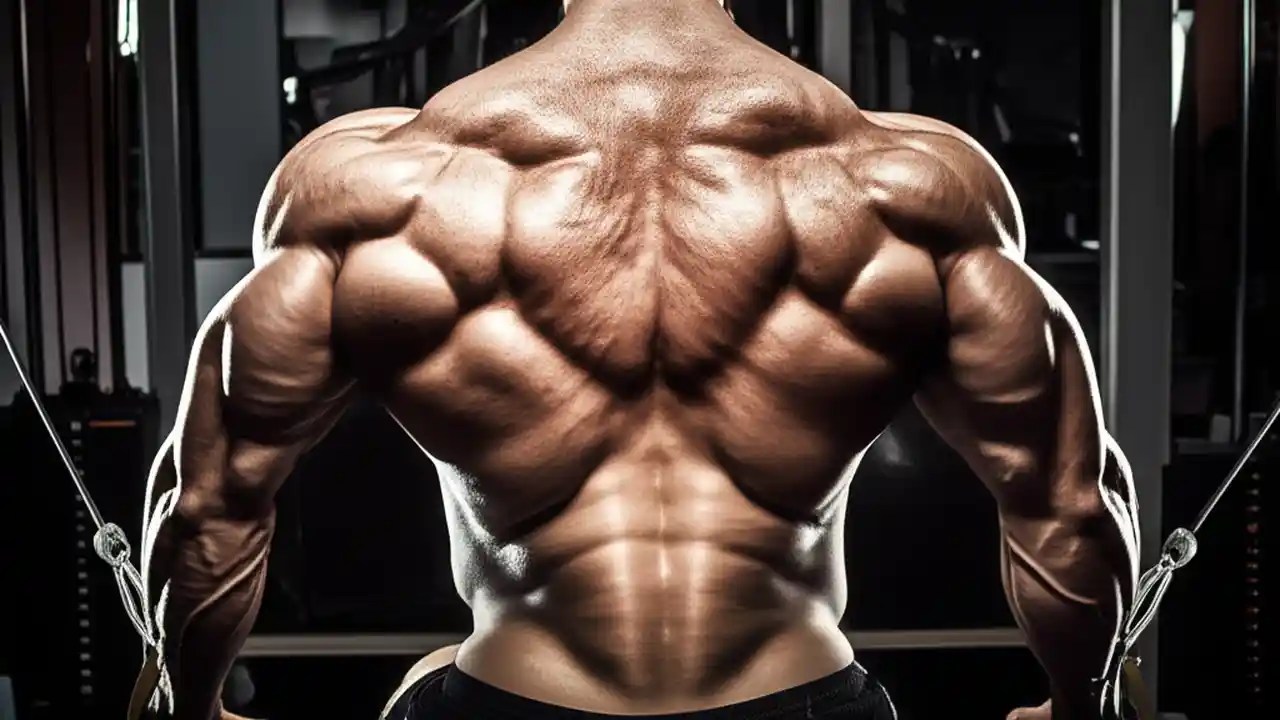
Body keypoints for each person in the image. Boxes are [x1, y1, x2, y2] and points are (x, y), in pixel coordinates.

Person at [140, 1, 1140, 718]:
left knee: (427, 684)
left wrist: (194, 704)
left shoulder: (384, 187)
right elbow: (1070, 502)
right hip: (795, 690)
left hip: (513, 689)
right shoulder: (901, 184)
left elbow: (206, 503)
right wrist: (1075, 703)